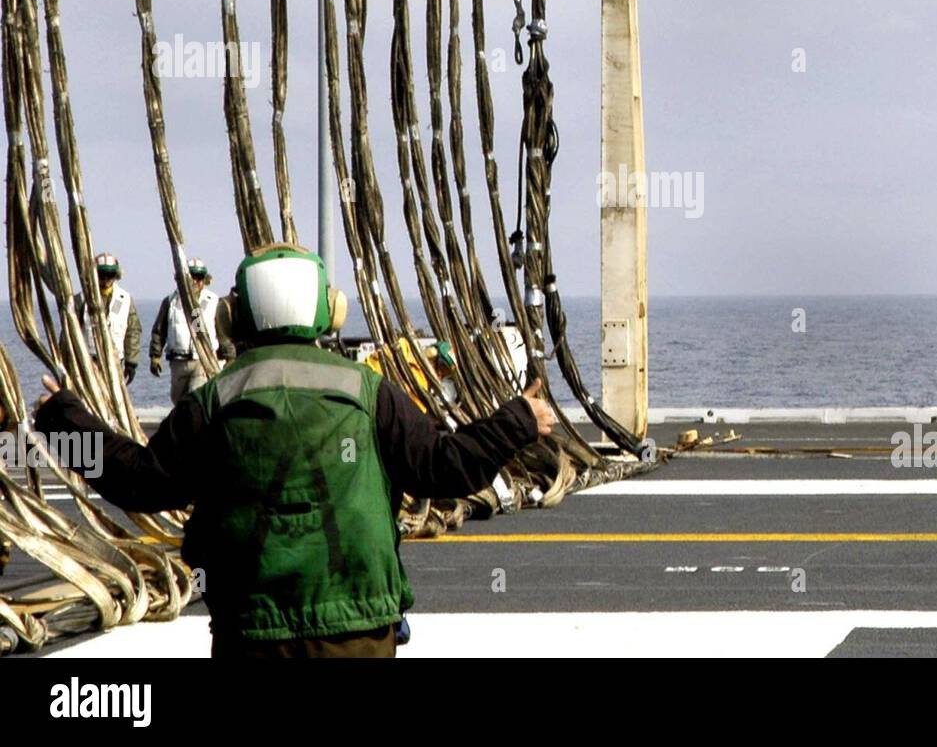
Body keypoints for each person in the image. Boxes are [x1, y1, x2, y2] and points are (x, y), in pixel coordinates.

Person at [34, 242, 555, 658]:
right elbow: (445, 469)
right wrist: (518, 420)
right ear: (330, 312)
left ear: (233, 318)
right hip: (360, 633)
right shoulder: (369, 391)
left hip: (252, 634)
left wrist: (64, 420)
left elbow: (140, 481)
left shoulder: (215, 401)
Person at [149, 258, 231, 406]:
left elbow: (223, 332)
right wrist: (155, 356)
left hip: (203, 360)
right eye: (191, 277)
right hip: (178, 362)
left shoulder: (214, 302)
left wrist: (229, 357)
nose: (195, 281)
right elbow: (159, 331)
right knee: (178, 400)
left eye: (199, 278)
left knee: (196, 397)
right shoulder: (170, 302)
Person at [74, 253, 141, 385]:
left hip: (115, 361)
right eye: (101, 274)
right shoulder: (81, 299)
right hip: (88, 362)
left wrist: (131, 362)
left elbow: (133, 331)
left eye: (109, 274)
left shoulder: (125, 299)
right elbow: (69, 332)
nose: (105, 279)